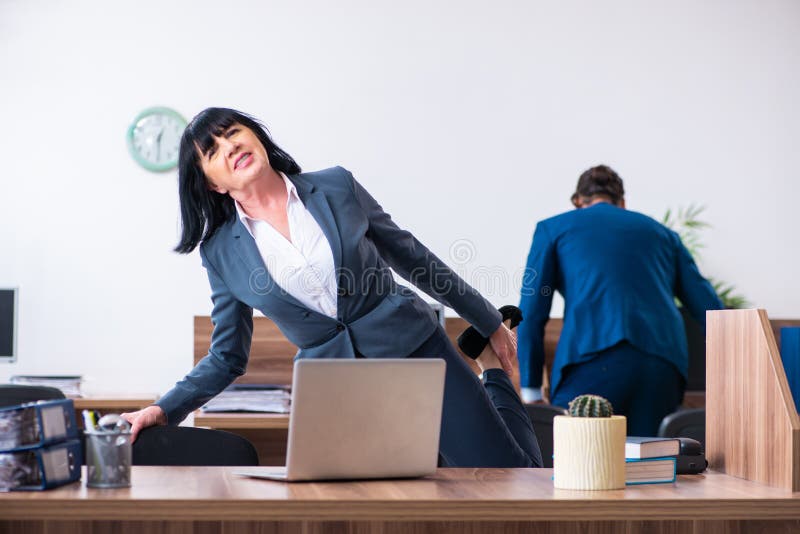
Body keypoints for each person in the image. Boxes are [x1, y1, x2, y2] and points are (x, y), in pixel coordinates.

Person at [122, 107, 542, 468]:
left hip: (414, 350)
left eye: (233, 133)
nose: (230, 146)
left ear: (258, 139)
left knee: (505, 473)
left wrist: (488, 321)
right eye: (212, 150)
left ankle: (490, 371)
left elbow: (414, 258)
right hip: (333, 386)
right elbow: (227, 355)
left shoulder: (336, 186)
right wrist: (165, 408)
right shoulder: (220, 252)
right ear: (213, 184)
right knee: (361, 504)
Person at [517, 165, 723, 436]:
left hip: (590, 361)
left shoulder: (553, 229)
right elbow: (713, 312)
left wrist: (531, 390)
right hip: (661, 366)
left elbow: (531, 312)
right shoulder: (663, 234)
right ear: (622, 203)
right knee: (652, 466)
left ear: (578, 201)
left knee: (577, 462)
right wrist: (725, 387)